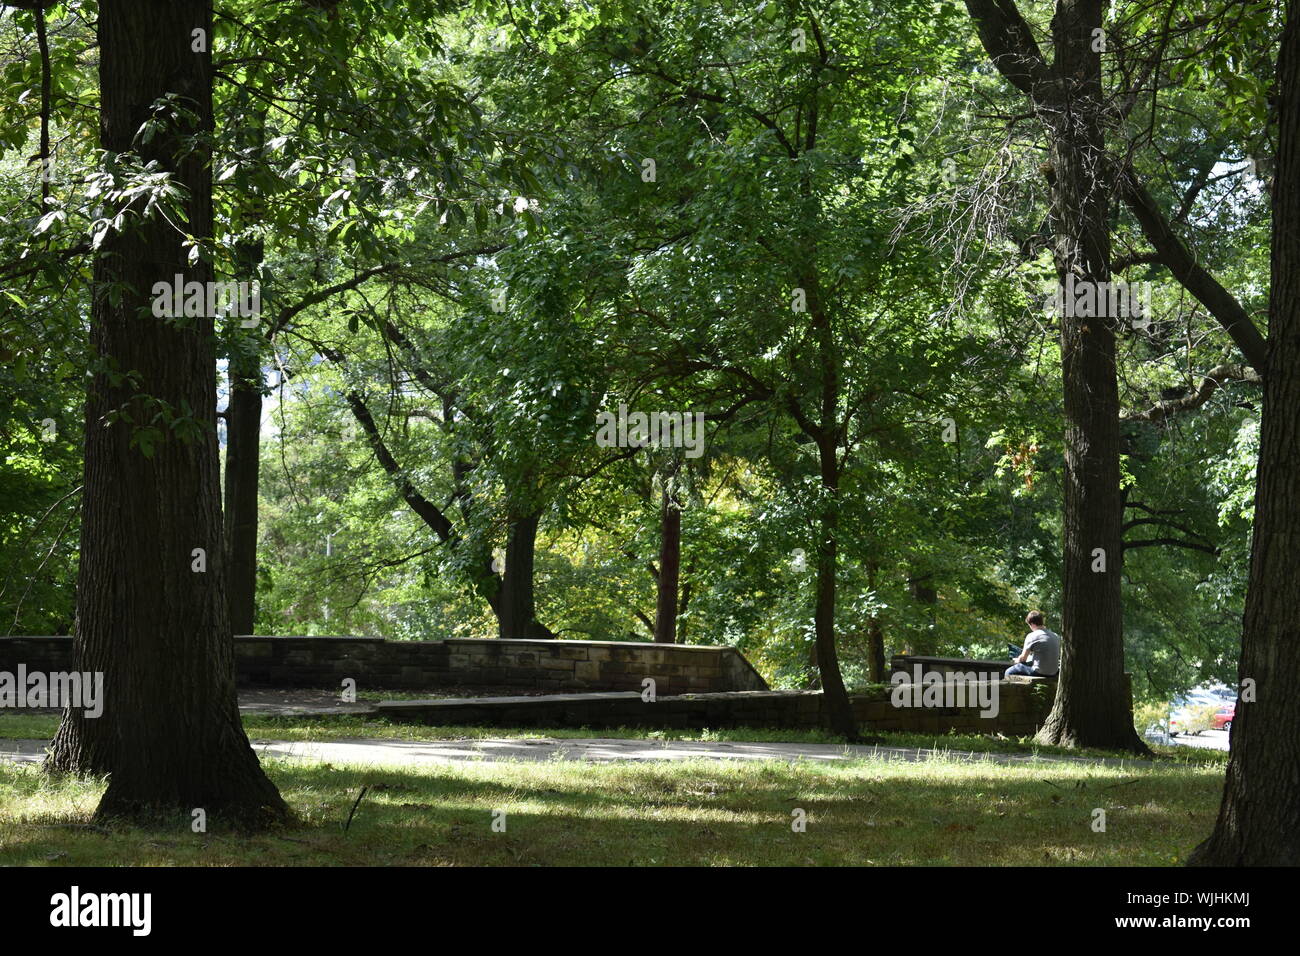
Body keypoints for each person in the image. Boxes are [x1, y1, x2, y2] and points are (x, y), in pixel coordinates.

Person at [1005, 610, 1061, 678]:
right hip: (1053, 672)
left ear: (1032, 624)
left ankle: (994, 688)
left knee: (1008, 672)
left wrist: (1016, 660)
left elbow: (1023, 659)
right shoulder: (1055, 635)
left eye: (1029, 625)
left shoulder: (1032, 635)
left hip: (1039, 672)